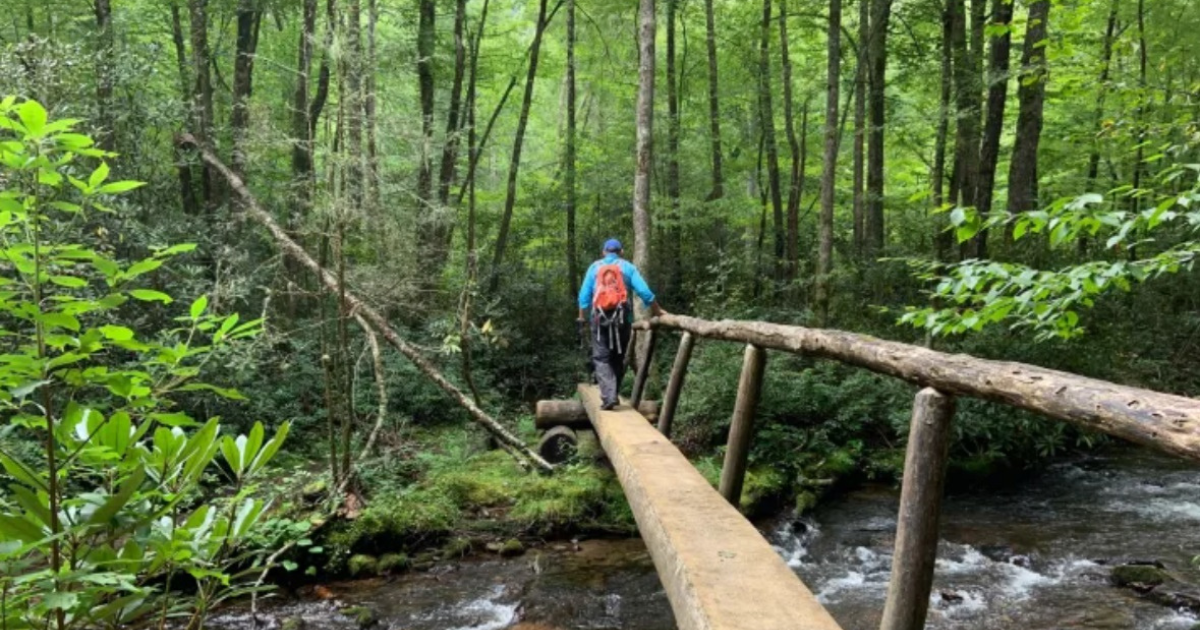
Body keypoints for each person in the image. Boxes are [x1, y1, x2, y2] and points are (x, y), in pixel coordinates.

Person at [577, 238, 666, 410]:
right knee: (618, 357)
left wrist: (581, 318)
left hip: (599, 319)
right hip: (622, 319)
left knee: (601, 358)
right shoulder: (628, 267)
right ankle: (613, 393)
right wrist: (658, 311)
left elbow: (584, 297)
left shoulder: (595, 268)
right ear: (621, 252)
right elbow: (644, 292)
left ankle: (609, 397)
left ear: (604, 252)